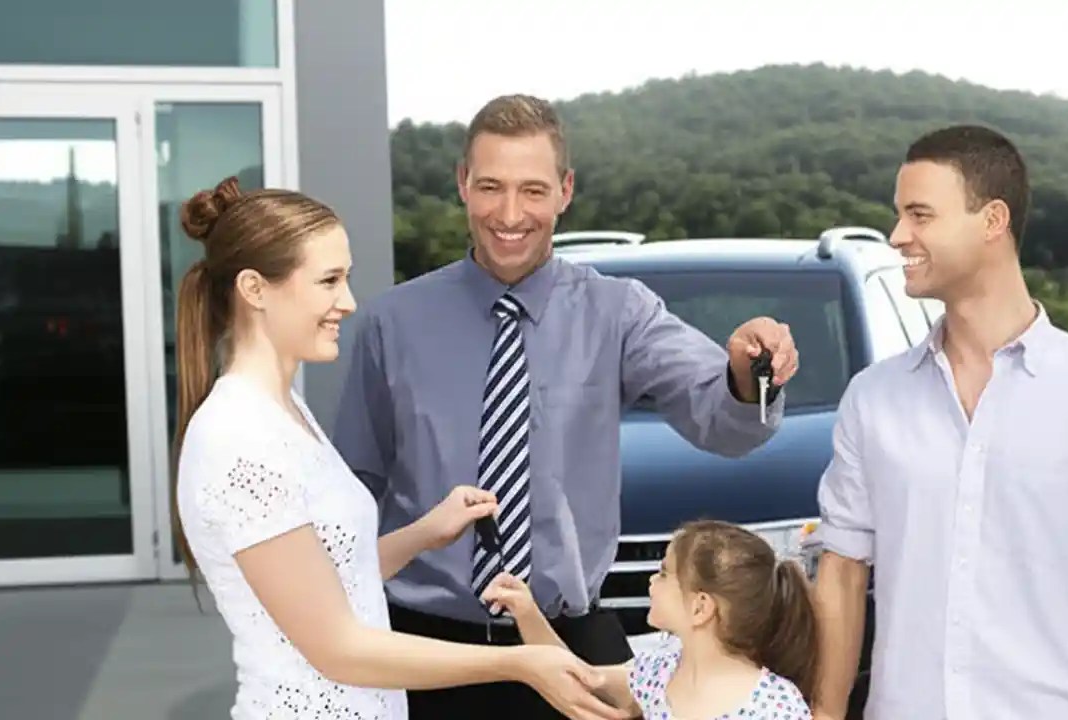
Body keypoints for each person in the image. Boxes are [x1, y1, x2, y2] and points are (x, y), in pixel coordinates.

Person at [331, 93, 800, 719]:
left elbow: (723, 420)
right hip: (422, 647)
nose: (509, 213)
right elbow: (351, 496)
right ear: (463, 185)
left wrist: (746, 376)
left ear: (565, 191)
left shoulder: (620, 313)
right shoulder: (391, 325)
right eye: (491, 187)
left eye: (532, 190)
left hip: (570, 645)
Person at [171, 176, 630, 720]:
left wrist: (425, 533)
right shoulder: (239, 439)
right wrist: (520, 664)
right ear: (254, 289)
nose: (347, 302)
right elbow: (338, 648)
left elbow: (331, 577)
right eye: (328, 281)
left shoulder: (287, 414)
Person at [811, 125, 1068, 720]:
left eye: (920, 215)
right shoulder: (872, 399)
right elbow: (842, 573)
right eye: (899, 215)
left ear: (992, 221)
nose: (898, 234)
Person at [482, 520, 816, 719]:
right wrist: (526, 612)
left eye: (664, 573)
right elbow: (579, 678)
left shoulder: (776, 707)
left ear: (701, 608)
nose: (652, 582)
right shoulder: (657, 672)